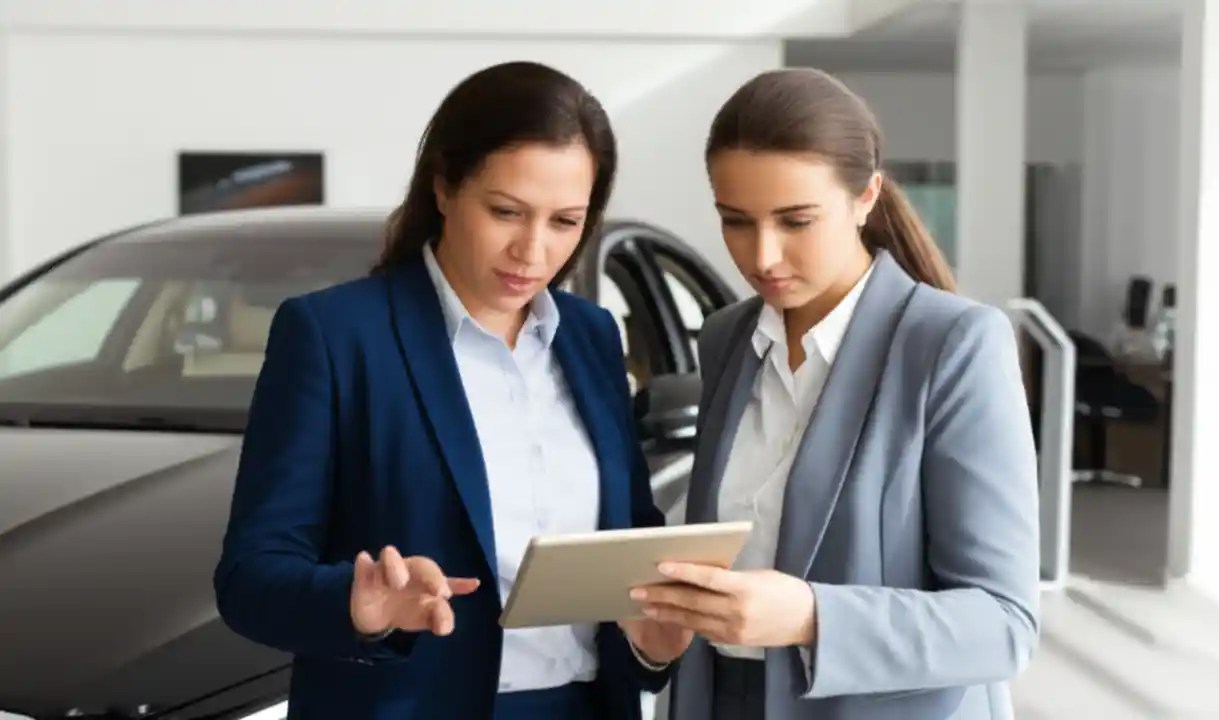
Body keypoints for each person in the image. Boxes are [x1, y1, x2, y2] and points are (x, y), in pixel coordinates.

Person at [213, 61, 691, 720]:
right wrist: (360, 606)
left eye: (565, 221)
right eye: (505, 212)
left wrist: (654, 646)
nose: (532, 249)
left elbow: (632, 541)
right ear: (443, 186)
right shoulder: (334, 335)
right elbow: (250, 579)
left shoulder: (592, 337)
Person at [630, 68, 1040, 720]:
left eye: (796, 221)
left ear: (865, 196)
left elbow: (1004, 622)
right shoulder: (727, 339)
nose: (763, 256)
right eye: (736, 221)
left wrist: (814, 616)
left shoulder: (952, 345)